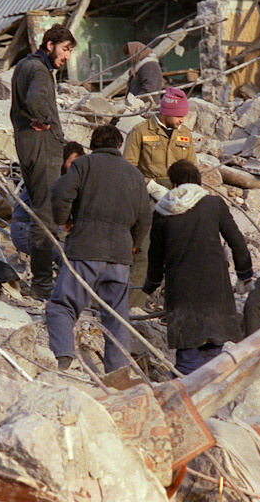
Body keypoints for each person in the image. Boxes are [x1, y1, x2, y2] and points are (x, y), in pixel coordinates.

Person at [46, 125, 150, 373]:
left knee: (63, 305)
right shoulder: (134, 175)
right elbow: (145, 217)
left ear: (92, 145)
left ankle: (63, 356)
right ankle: (117, 372)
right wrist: (133, 243)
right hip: (120, 256)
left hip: (85, 248)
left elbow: (60, 193)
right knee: (116, 317)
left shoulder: (83, 165)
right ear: (118, 147)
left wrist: (64, 220)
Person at [144, 160, 253, 375]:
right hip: (215, 289)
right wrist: (244, 275)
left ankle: (184, 401)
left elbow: (155, 254)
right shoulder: (213, 204)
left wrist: (152, 283)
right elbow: (237, 242)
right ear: (198, 182)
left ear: (174, 184)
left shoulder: (162, 211)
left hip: (182, 292)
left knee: (187, 358)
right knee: (214, 356)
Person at [10, 24, 76, 299]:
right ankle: (42, 286)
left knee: (42, 212)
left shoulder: (25, 66)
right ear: (49, 45)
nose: (67, 57)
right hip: (42, 150)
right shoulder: (38, 70)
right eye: (65, 50)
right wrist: (45, 120)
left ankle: (42, 284)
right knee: (44, 217)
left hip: (32, 149)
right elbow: (36, 100)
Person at [123, 87, 197, 307]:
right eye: (179, 114)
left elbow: (192, 168)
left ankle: (177, 306)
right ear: (165, 112)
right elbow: (128, 168)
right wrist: (151, 186)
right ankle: (133, 308)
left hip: (178, 197)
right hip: (147, 198)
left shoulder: (186, 135)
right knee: (144, 251)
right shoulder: (140, 131)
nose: (183, 119)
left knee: (181, 252)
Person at [10, 141, 85, 256]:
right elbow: (52, 205)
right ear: (62, 161)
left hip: (35, 227)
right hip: (26, 228)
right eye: (72, 163)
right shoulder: (52, 177)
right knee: (68, 256)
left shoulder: (64, 179)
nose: (75, 168)